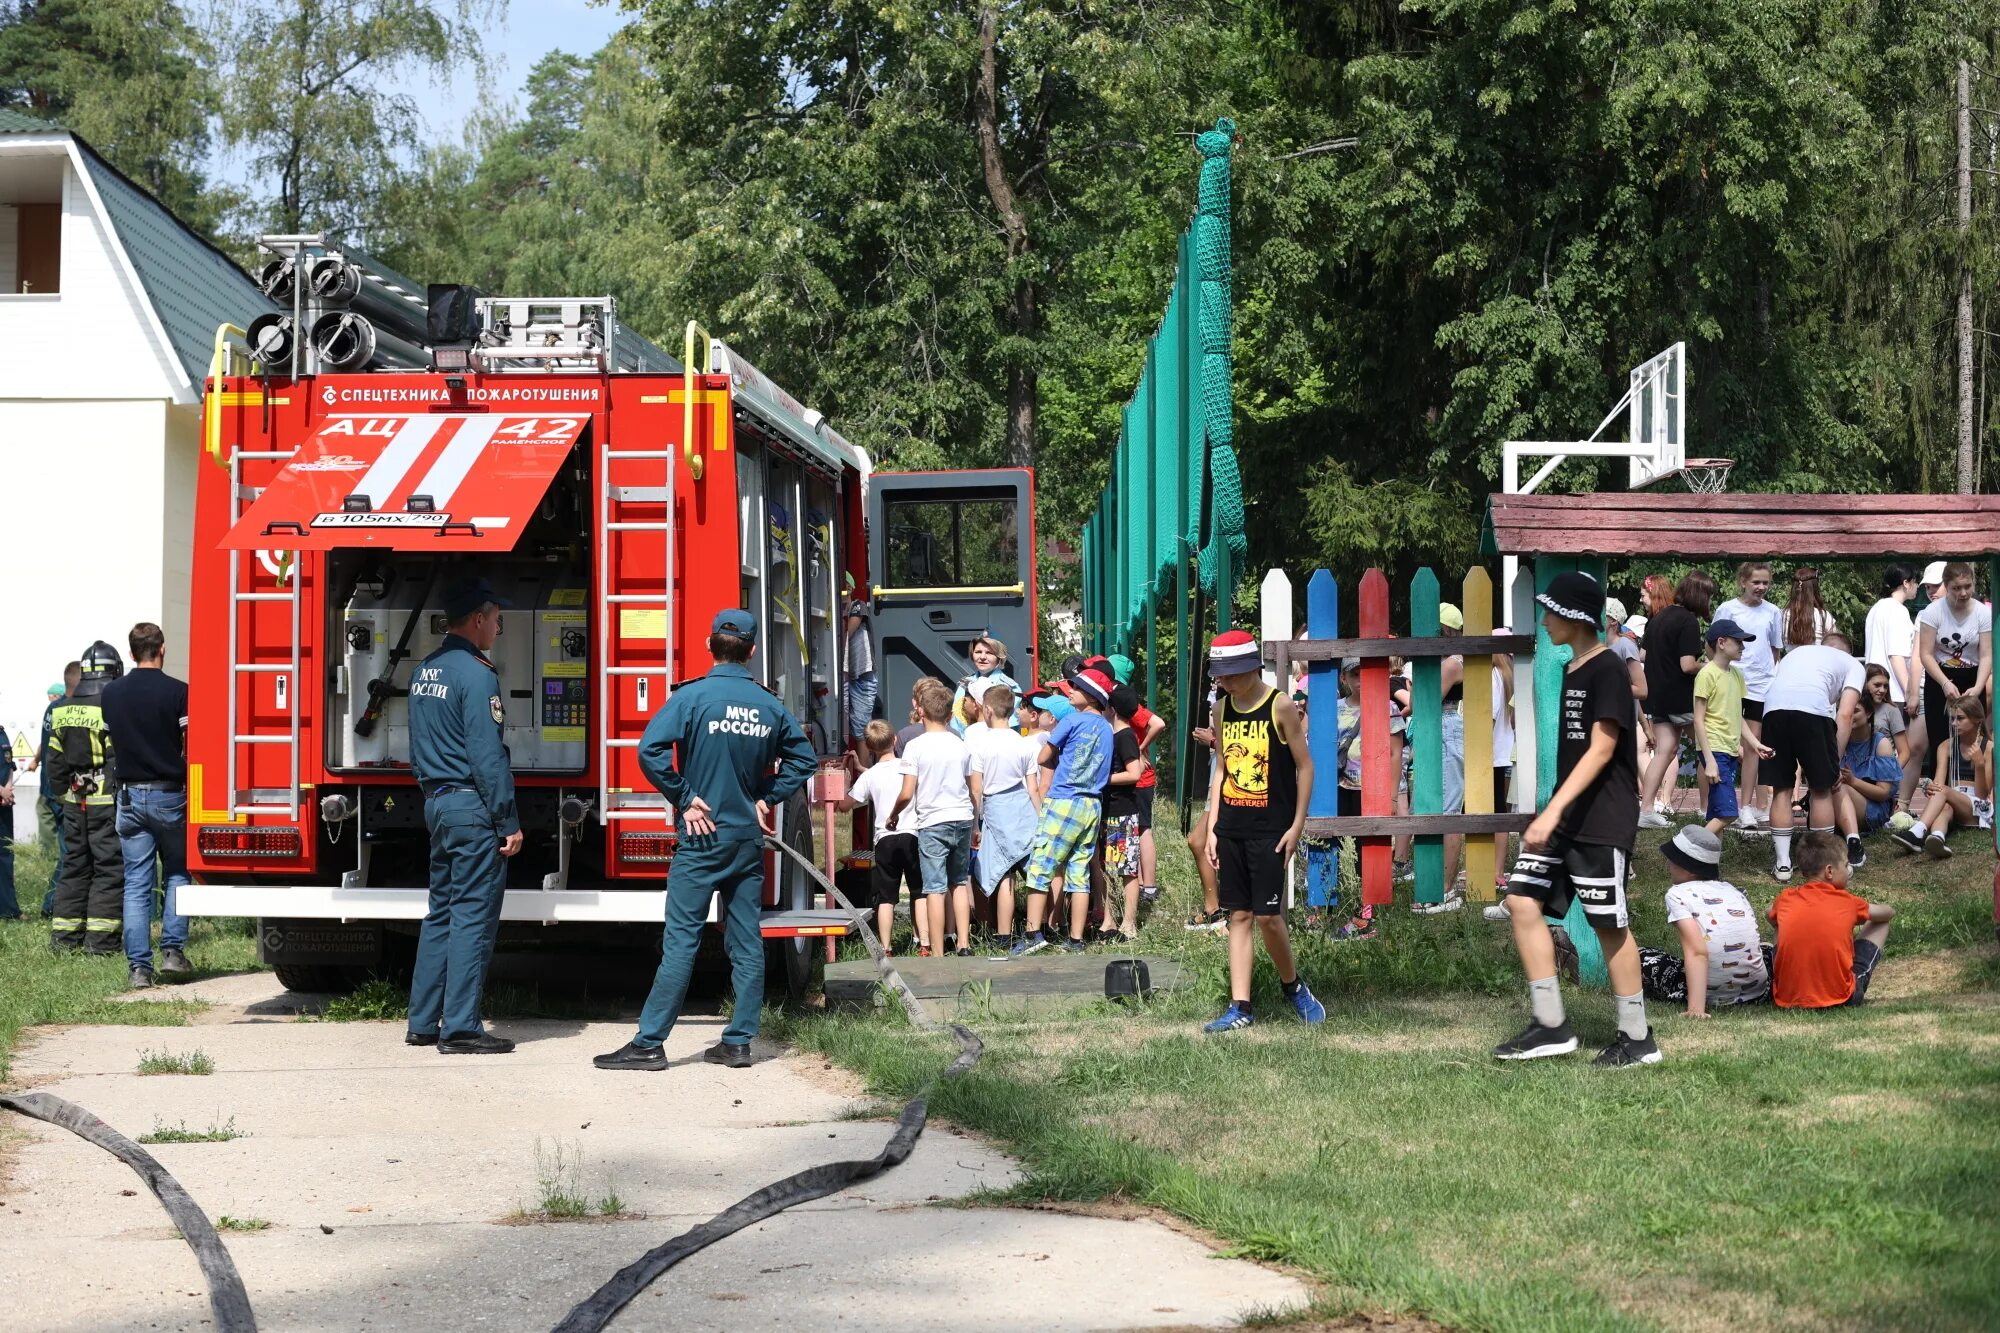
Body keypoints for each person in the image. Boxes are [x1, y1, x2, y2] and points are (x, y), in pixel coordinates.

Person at [597, 608, 816, 1071]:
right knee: (746, 942)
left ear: (708, 645)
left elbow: (649, 751)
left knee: (681, 942)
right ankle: (738, 1042)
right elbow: (804, 761)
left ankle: (650, 1044)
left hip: (700, 839)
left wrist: (685, 796)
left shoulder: (691, 698)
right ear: (753, 651)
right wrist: (765, 797)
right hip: (745, 841)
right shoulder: (769, 705)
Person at [1493, 572, 1658, 1068]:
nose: (1544, 620)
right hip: (1565, 818)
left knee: (1609, 925)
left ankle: (1637, 1038)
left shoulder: (1608, 668)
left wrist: (1554, 810)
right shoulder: (1573, 668)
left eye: (1550, 611)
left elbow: (1604, 748)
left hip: (1600, 820)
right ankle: (1551, 1026)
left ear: (1575, 617)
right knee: (1522, 901)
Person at [406, 580, 525, 1055]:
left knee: (442, 913)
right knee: (473, 916)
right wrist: (508, 819)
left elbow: (418, 746)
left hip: (437, 802)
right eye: (497, 618)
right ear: (478, 618)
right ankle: (460, 1028)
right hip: (472, 806)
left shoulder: (425, 670)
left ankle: (422, 1021)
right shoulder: (476, 674)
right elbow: (487, 755)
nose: (499, 627)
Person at [1199, 630, 1326, 1032]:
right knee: (1238, 914)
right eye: (1220, 675)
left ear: (1254, 667)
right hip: (1231, 827)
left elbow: (1305, 766)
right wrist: (1215, 827)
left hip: (1271, 829)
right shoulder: (1220, 710)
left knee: (1269, 916)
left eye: (1231, 674)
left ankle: (1293, 987)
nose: (1225, 682)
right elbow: (1222, 769)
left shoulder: (1281, 706)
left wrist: (1297, 824)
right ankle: (1241, 1006)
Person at [99, 622, 192, 988]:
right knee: (177, 873)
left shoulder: (112, 693)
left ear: (130, 651)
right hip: (170, 795)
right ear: (162, 649)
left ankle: (139, 968)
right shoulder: (178, 692)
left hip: (128, 796)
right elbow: (190, 743)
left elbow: (111, 745)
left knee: (136, 883)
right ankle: (172, 952)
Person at [1012, 667, 1115, 955]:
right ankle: (1077, 940)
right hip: (1091, 804)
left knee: (1041, 866)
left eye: (1076, 688)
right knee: (1079, 872)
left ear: (1091, 696)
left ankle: (1033, 933)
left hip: (1064, 800)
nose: (1069, 691)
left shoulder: (1071, 721)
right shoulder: (1107, 728)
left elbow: (1045, 756)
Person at [1761, 629, 1867, 881]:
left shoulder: (1796, 654)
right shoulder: (1853, 664)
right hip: (1813, 713)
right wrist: (1834, 761)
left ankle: (1783, 863)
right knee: (1822, 789)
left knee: (1782, 789)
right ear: (1847, 652)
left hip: (1773, 711)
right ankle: (1825, 863)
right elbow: (1845, 714)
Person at [1636, 827, 1770, 1015]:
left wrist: (1695, 1009)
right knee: (1766, 950)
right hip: (1757, 992)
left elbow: (1697, 951)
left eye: (1672, 859)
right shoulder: (1733, 891)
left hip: (1710, 994)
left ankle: (1697, 998)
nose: (1668, 864)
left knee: (1639, 956)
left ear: (1688, 868)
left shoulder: (1677, 895)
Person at [45, 641, 125, 957]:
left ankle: (64, 939)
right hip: (105, 802)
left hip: (73, 800)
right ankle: (101, 943)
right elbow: (116, 758)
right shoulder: (109, 706)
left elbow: (54, 759)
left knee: (74, 867)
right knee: (108, 869)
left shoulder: (60, 708)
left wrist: (66, 793)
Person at [890, 678, 976, 955]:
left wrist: (893, 815)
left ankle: (938, 949)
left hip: (932, 822)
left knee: (935, 888)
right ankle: (963, 942)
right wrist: (974, 821)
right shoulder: (960, 744)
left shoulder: (915, 746)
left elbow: (906, 793)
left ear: (921, 712)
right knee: (959, 882)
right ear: (950, 715)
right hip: (962, 817)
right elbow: (971, 786)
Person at [1769, 831, 1893, 1009]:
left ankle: (1790, 982)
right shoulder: (1848, 902)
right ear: (1829, 871)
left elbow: (1769, 914)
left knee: (1778, 924)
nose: (1848, 870)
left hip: (1786, 1000)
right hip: (1841, 998)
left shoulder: (1785, 899)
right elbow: (1886, 913)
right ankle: (1847, 981)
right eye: (1846, 864)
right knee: (1881, 924)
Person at [968, 685, 1042, 953]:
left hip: (996, 809)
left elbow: (976, 788)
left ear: (987, 710)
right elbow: (1032, 787)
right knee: (1033, 871)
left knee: (1002, 873)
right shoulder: (1023, 744)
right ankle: (1038, 928)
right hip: (1022, 809)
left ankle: (1002, 934)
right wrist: (1040, 817)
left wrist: (975, 824)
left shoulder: (980, 745)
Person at [1639, 571, 1715, 827]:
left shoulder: (1659, 617)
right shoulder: (1688, 622)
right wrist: (1711, 664)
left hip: (1657, 696)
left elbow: (1642, 655)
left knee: (1665, 750)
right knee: (1710, 746)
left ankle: (1647, 810)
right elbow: (1687, 665)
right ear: (1700, 596)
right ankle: (1710, 809)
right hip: (1680, 699)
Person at [1715, 562, 1788, 829]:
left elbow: (1775, 650)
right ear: (1743, 582)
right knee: (1723, 742)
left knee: (1753, 746)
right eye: (1756, 582)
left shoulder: (1773, 611)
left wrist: (1771, 677)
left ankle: (1745, 806)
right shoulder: (1727, 608)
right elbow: (1714, 644)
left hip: (1760, 687)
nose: (1761, 587)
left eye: (1765, 583)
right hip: (1730, 683)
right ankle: (1716, 804)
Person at [838, 720, 916, 951]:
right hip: (912, 834)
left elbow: (844, 806)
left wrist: (846, 775)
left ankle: (886, 946)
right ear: (895, 741)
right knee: (918, 892)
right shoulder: (908, 766)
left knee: (886, 897)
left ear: (870, 749)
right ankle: (923, 942)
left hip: (885, 840)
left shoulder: (869, 777)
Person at [1692, 619, 1770, 838]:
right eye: (1739, 643)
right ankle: (1689, 849)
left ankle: (1708, 868)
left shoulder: (1737, 675)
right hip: (1715, 750)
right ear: (1722, 643)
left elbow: (1738, 717)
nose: (1743, 648)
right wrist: (1709, 761)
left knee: (1717, 813)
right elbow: (1698, 720)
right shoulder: (1706, 674)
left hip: (1729, 750)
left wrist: (1755, 745)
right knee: (1728, 814)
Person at [1892, 693, 1993, 859]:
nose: (1954, 723)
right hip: (1954, 801)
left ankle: (1917, 833)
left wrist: (1980, 765)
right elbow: (1939, 783)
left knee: (1944, 792)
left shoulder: (1988, 748)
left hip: (1979, 808)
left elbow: (1982, 796)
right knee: (1943, 800)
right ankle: (1937, 837)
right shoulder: (1945, 746)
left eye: (1960, 718)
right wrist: (1932, 788)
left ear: (1976, 719)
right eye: (1953, 719)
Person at [1915, 562, 1992, 760]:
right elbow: (1925, 654)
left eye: (1967, 586)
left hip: (1973, 678)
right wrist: (1944, 682)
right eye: (1957, 588)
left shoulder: (1982, 612)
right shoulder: (1933, 611)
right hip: (1940, 677)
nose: (1963, 593)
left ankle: (1976, 787)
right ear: (1947, 586)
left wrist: (1977, 687)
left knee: (1974, 739)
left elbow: (1986, 655)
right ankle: (1940, 785)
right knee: (1940, 738)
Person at [1864, 565, 1924, 812]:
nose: (1917, 589)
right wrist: (1911, 691)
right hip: (1894, 692)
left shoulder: (1877, 608)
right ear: (1907, 582)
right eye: (1916, 583)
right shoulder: (1898, 611)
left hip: (1872, 685)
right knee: (1898, 751)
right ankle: (1893, 804)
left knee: (1876, 748)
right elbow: (1897, 656)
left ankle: (1879, 801)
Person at [1101, 690, 1148, 942]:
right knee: (1107, 867)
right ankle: (1109, 919)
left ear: (1113, 709)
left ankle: (1129, 923)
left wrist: (1103, 780)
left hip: (1122, 812)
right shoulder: (1114, 735)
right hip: (1109, 810)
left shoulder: (1125, 736)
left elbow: (1134, 773)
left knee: (1127, 869)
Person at [37, 665, 80, 914]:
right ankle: (52, 904)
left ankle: (53, 903)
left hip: (50, 786)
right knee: (70, 851)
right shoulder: (65, 709)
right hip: (60, 789)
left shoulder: (52, 709)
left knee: (68, 850)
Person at [1838, 679, 1904, 837]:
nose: (1848, 715)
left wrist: (1853, 781)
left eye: (1856, 711)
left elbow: (1883, 793)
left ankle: (1852, 839)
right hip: (1843, 799)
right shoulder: (1839, 740)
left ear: (1868, 713)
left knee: (1840, 788)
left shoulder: (1880, 743)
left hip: (1874, 809)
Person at [951, 635, 1022, 735]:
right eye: (978, 652)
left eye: (989, 653)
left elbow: (1011, 724)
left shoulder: (1010, 687)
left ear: (999, 658)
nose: (982, 657)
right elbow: (956, 719)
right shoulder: (964, 684)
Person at [842, 582, 877, 746]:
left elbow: (847, 632)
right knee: (845, 722)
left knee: (861, 729)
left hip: (863, 676)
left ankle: (864, 770)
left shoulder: (858, 606)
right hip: (845, 674)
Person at [0, 720, 15, 920]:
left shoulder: (2, 733)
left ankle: (9, 909)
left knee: (5, 855)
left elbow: (9, 765)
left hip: (3, 804)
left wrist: (8, 790)